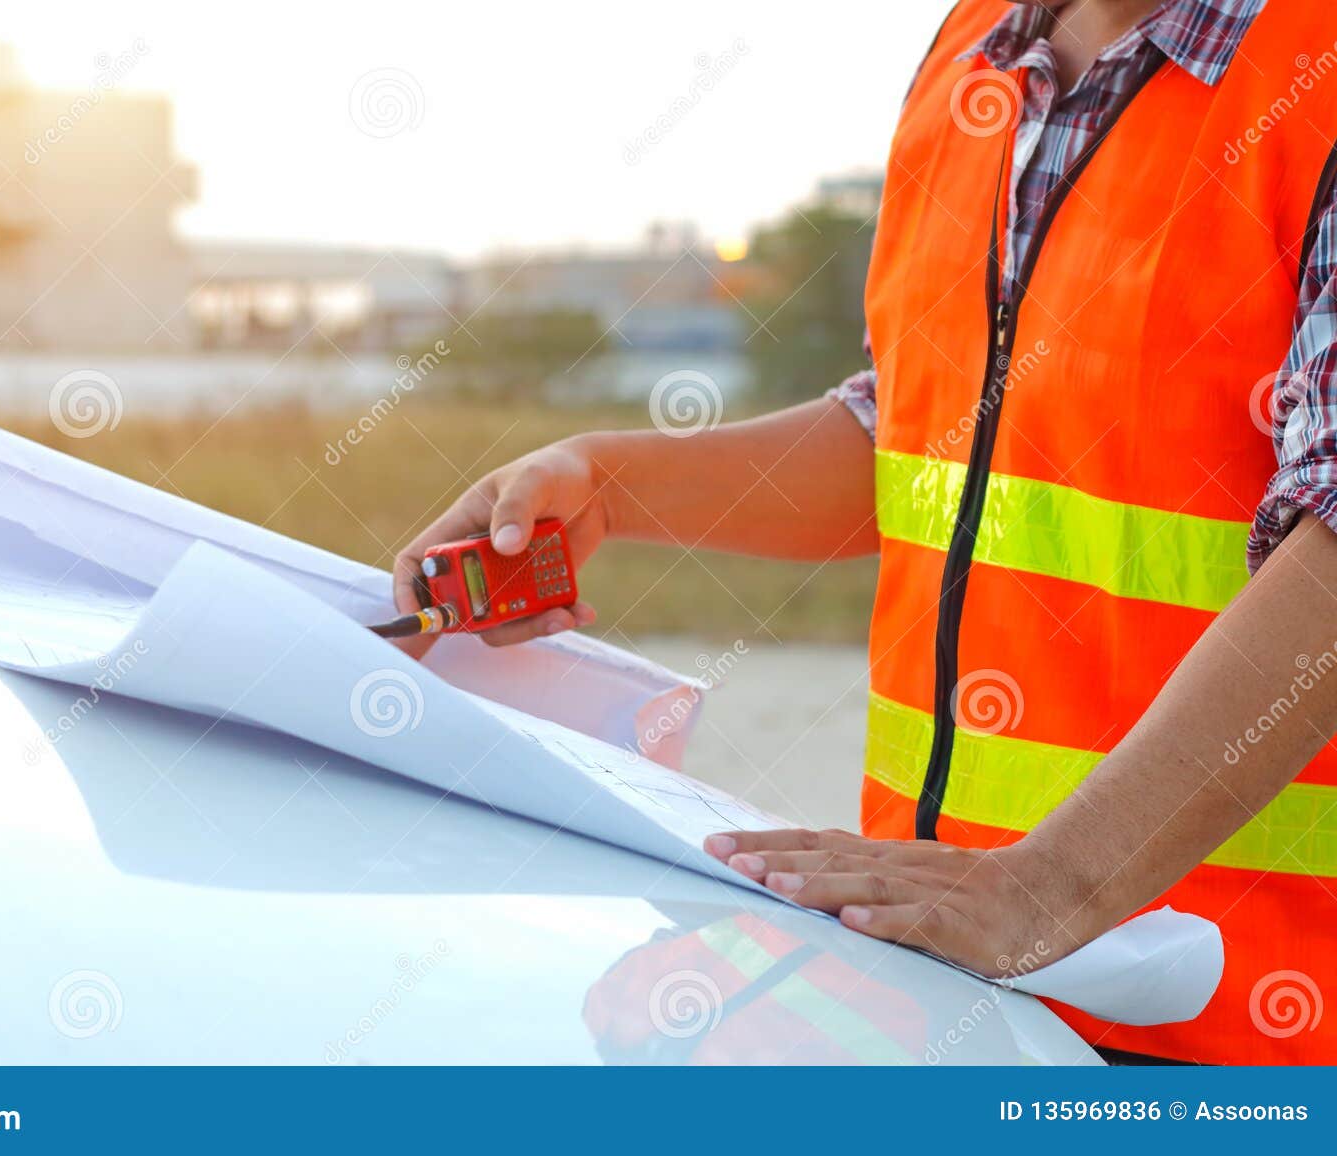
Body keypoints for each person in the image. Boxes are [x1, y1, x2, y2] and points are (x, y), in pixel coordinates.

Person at [392, 0, 1337, 1064]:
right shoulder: (971, 50)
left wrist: (1049, 888)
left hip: (1240, 1022)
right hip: (937, 980)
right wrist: (614, 483)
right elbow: (931, 430)